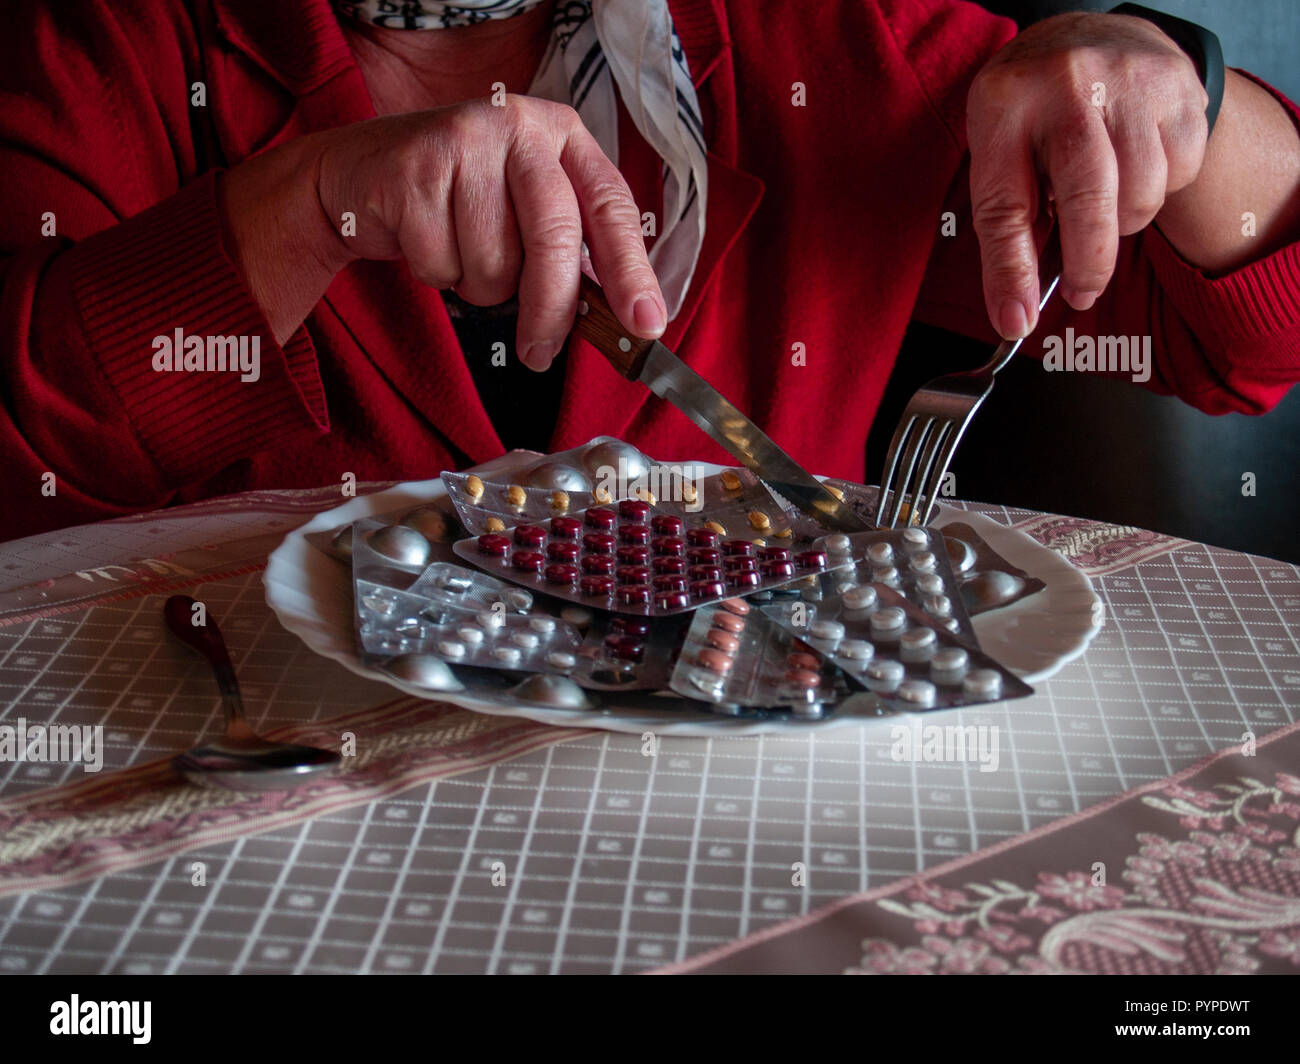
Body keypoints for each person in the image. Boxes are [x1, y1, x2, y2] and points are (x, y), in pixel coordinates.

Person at [1, 0, 1297, 540]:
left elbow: (1244, 341)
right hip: (251, 842)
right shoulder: (107, 39)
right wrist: (296, 213)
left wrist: (1176, 76)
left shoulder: (805, 30)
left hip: (730, 839)